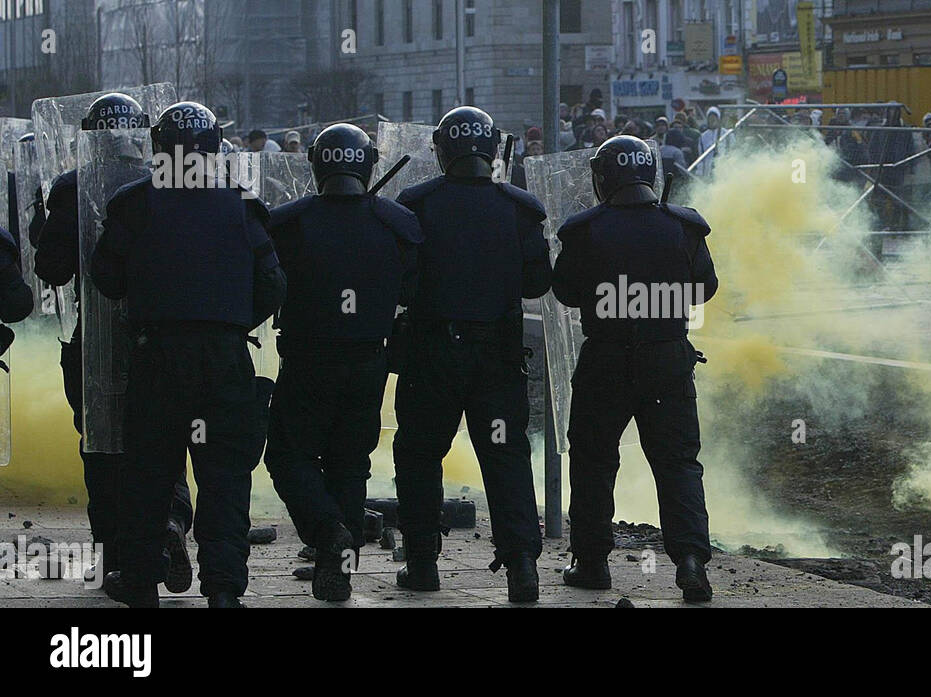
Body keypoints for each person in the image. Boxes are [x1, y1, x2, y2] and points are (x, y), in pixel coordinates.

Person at [90, 101, 286, 608]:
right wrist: (230, 321)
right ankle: (222, 589)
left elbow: (105, 277)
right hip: (224, 358)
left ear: (159, 146)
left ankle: (140, 581)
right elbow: (273, 284)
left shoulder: (134, 204)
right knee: (224, 477)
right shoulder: (241, 206)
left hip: (157, 355)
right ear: (215, 146)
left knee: (149, 473)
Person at [33, 93, 195, 595]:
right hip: (165, 332)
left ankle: (115, 557)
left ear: (89, 132)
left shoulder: (72, 186)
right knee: (163, 438)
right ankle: (169, 523)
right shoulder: (166, 180)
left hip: (97, 340)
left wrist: (46, 227)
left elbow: (51, 271)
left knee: (102, 447)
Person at [392, 106, 552, 602]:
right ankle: (522, 565)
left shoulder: (415, 205)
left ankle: (422, 565)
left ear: (443, 150)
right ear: (490, 149)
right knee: (505, 459)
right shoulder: (520, 208)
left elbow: (402, 282)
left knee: (419, 455)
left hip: (430, 356)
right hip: (496, 358)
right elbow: (538, 282)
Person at [552, 136, 719, 601]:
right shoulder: (684, 227)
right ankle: (690, 562)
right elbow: (705, 289)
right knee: (678, 464)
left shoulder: (584, 230)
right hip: (667, 359)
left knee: (593, 461)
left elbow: (563, 291)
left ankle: (590, 563)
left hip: (605, 359)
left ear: (603, 178)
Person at [264, 124, 422, 602]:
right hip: (368, 360)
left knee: (288, 454)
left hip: (308, 357)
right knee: (350, 464)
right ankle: (342, 566)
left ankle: (326, 527)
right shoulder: (396, 224)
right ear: (367, 164)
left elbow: (271, 286)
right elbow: (411, 292)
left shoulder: (289, 223)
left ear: (318, 164)